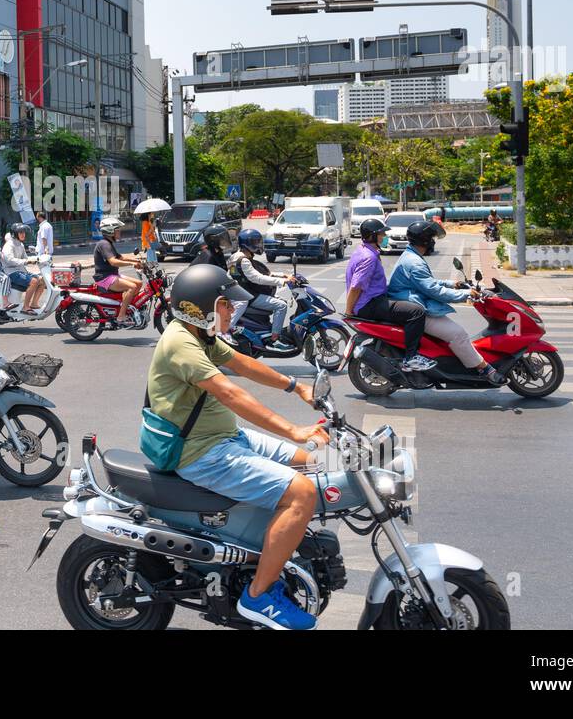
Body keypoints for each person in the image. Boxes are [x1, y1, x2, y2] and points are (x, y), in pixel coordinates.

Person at [146, 263, 326, 630]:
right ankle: (258, 597)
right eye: (226, 304)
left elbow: (242, 364)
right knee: (302, 494)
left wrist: (296, 386)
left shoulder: (201, 334)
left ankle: (277, 545)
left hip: (226, 438)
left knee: (314, 461)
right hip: (200, 453)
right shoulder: (181, 342)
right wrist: (292, 429)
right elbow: (230, 391)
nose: (232, 310)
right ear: (202, 308)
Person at [387, 221, 503, 384]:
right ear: (425, 240)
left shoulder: (411, 256)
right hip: (417, 308)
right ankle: (485, 369)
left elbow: (427, 283)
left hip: (415, 302)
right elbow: (434, 291)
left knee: (454, 333)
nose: (434, 241)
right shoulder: (414, 262)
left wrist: (451, 283)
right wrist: (466, 294)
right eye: (432, 238)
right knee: (459, 334)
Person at [345, 218, 434, 372]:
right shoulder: (369, 258)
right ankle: (410, 357)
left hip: (372, 300)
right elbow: (356, 287)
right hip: (370, 304)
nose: (384, 236)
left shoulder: (363, 250)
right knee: (416, 312)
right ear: (373, 236)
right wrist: (348, 310)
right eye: (381, 234)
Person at [226, 229, 298, 346]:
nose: (258, 245)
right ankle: (275, 339)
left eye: (258, 242)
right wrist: (283, 282)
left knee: (280, 299)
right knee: (281, 305)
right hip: (248, 295)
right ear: (248, 243)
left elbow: (261, 273)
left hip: (244, 291)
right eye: (256, 242)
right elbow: (258, 278)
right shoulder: (243, 260)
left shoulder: (238, 256)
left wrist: (283, 275)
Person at [93, 216, 144, 327]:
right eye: (117, 230)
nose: (120, 232)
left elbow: (120, 258)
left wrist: (137, 260)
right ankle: (121, 316)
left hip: (112, 275)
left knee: (139, 283)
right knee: (132, 287)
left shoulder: (109, 243)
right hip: (105, 278)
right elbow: (113, 262)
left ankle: (125, 305)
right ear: (111, 231)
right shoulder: (104, 244)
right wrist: (132, 264)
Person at [2, 222, 46, 313]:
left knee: (42, 280)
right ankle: (25, 307)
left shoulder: (20, 245)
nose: (23, 234)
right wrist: (25, 261)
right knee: (34, 282)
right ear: (14, 234)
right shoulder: (9, 245)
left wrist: (36, 259)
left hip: (20, 270)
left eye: (23, 232)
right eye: (20, 232)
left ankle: (34, 304)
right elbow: (9, 260)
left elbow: (25, 258)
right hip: (11, 272)